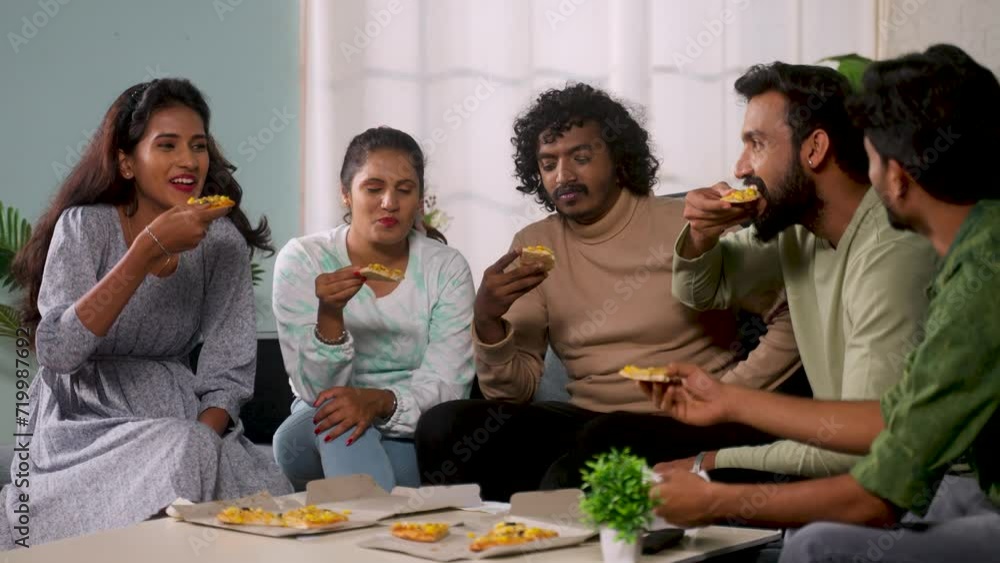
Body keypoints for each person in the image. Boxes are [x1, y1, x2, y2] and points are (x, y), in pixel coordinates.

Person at [645, 44, 1000, 563]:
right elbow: (890, 420)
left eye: (870, 154)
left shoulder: (969, 277)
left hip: (968, 496)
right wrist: (726, 399)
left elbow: (878, 495)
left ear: (897, 176)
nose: (863, 172)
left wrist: (715, 497)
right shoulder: (974, 250)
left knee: (816, 545)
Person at [415, 83, 803, 501]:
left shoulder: (692, 224)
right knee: (444, 426)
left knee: (598, 445)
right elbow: (514, 392)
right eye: (548, 164)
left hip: (685, 420)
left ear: (619, 159)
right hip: (587, 420)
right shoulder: (534, 243)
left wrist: (731, 394)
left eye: (581, 158)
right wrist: (488, 319)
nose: (562, 176)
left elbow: (790, 315)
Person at [0, 78, 291, 549]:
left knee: (274, 501)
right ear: (126, 162)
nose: (189, 161)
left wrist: (200, 444)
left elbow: (228, 373)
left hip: (181, 421)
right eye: (167, 145)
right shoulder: (85, 226)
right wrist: (144, 252)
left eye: (198, 146)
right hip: (80, 425)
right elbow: (57, 351)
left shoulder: (221, 243)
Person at [664, 61, 938, 478]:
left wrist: (709, 464)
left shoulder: (891, 252)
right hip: (844, 461)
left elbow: (864, 448)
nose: (740, 168)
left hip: (919, 485)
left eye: (756, 144)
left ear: (815, 149)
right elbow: (701, 289)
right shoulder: (797, 230)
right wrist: (702, 234)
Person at [271, 127, 475, 492]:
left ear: (419, 199)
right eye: (374, 188)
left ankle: (361, 537)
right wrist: (330, 316)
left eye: (404, 190)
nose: (389, 203)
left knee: (396, 475)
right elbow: (315, 390)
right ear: (345, 193)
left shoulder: (446, 268)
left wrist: (378, 401)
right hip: (316, 425)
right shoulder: (304, 259)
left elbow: (449, 386)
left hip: (410, 426)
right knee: (342, 421)